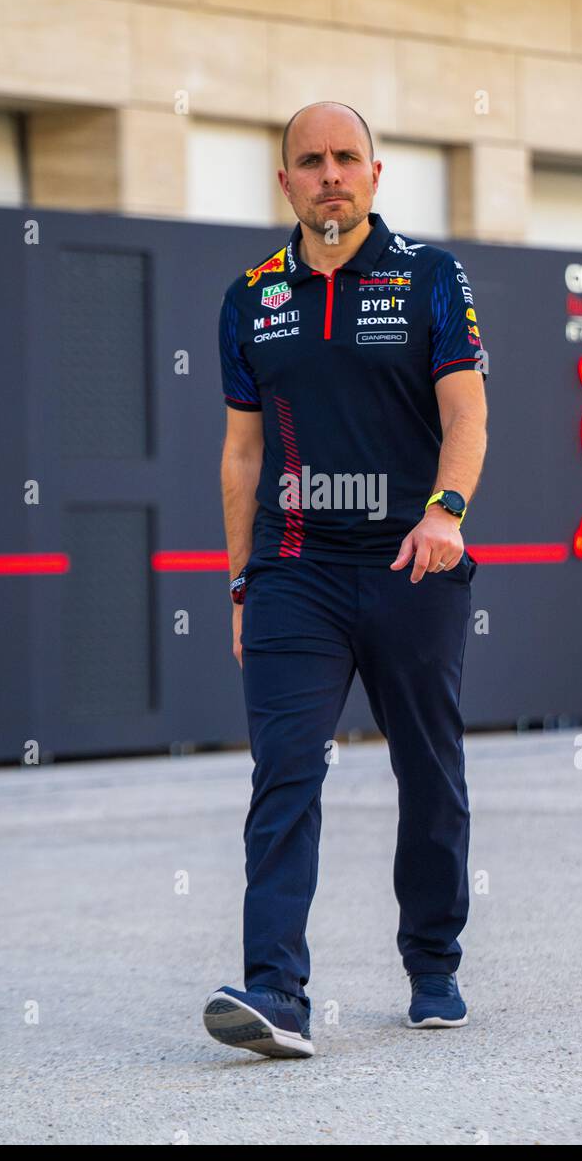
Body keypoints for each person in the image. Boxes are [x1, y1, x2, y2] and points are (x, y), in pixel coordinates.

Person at [203, 101, 488, 1058]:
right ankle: (278, 993)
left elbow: (467, 417)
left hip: (413, 563)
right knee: (284, 772)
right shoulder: (250, 297)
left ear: (374, 173)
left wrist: (446, 512)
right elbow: (242, 457)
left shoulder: (430, 277)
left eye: (346, 158)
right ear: (285, 182)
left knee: (430, 773)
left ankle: (433, 962)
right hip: (295, 573)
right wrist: (241, 585)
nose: (330, 174)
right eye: (310, 161)